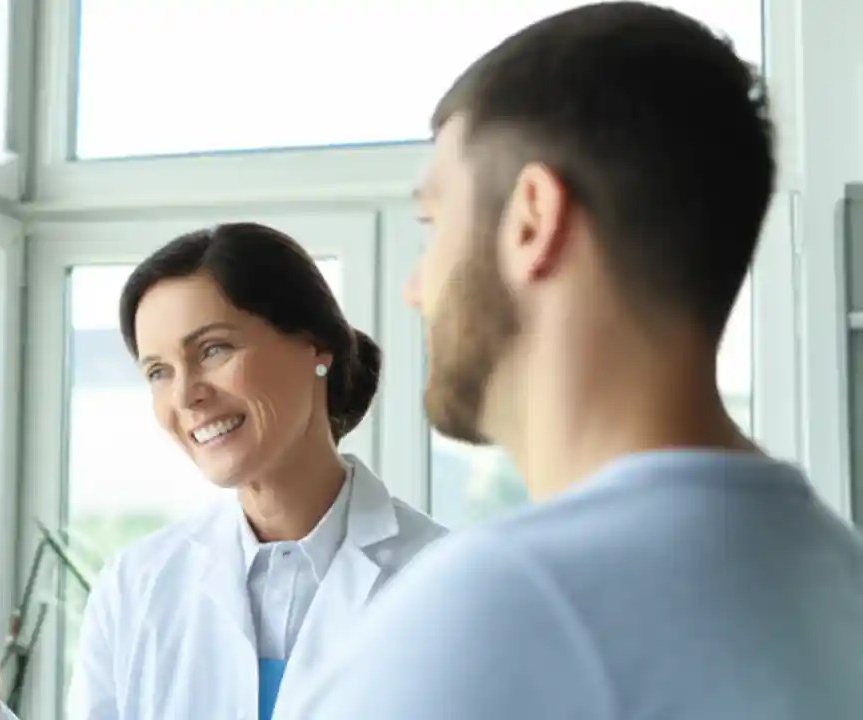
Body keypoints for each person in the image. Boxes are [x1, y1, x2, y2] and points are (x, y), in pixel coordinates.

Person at [300, 3, 863, 718]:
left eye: (433, 223)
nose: (416, 289)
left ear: (532, 220)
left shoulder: (487, 617)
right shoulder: (834, 575)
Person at [0, 222, 446, 720]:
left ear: (315, 345)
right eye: (158, 370)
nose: (187, 394)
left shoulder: (442, 582)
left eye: (214, 350)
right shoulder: (136, 587)